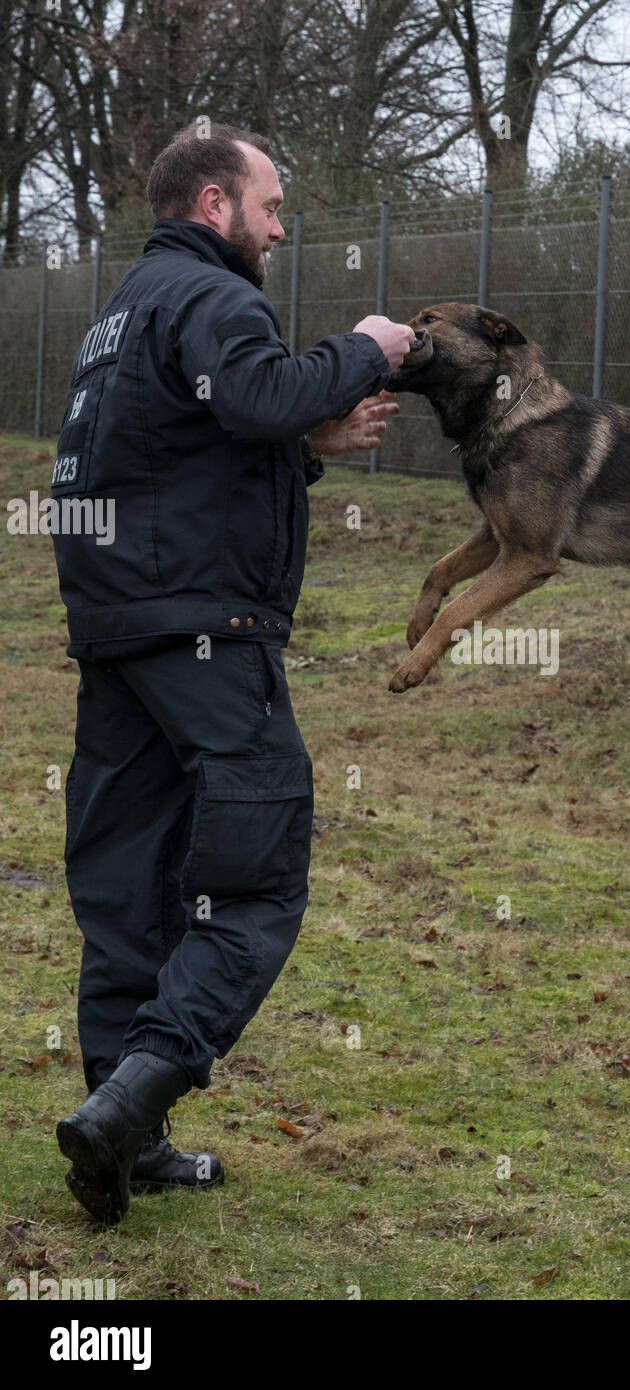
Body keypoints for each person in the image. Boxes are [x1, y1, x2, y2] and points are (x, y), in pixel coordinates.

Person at [51, 121, 414, 1224]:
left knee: (132, 887)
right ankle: (140, 1093)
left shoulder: (123, 313)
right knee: (255, 878)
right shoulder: (213, 295)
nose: (280, 227)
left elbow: (174, 453)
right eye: (271, 205)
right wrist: (366, 349)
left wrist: (306, 450)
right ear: (215, 204)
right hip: (206, 632)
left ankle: (121, 1133)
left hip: (120, 635)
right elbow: (256, 394)